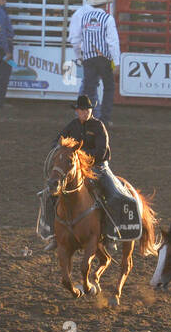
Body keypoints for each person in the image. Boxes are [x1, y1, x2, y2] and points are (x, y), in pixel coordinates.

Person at [43, 95, 120, 251]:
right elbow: (57, 141)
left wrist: (79, 155)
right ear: (77, 111)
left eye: (86, 110)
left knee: (113, 194)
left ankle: (111, 235)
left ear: (90, 110)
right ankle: (53, 234)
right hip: (74, 167)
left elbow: (101, 151)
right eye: (80, 110)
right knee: (49, 195)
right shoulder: (72, 125)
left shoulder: (98, 126)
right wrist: (61, 151)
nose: (83, 113)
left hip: (98, 167)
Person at [67, 0, 120, 124]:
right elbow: (113, 42)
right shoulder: (108, 19)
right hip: (103, 58)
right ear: (104, 5)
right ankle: (104, 118)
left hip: (88, 57)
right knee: (108, 87)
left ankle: (88, 118)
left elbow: (76, 38)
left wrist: (80, 55)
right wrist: (117, 62)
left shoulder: (83, 17)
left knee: (89, 88)